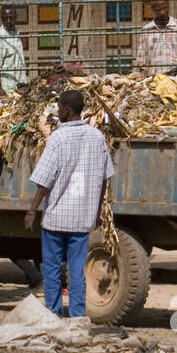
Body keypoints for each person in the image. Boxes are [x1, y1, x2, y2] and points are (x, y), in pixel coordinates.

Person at [24, 90, 116, 318]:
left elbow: (44, 181)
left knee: (53, 270)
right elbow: (105, 178)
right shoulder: (97, 137)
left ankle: (53, 315)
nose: (57, 111)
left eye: (59, 107)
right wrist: (96, 212)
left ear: (65, 109)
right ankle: (77, 317)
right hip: (82, 219)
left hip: (56, 218)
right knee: (77, 272)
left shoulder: (57, 138)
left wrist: (32, 210)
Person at [134, 0, 177, 75]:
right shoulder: (147, 29)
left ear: (168, 7)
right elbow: (141, 57)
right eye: (158, 10)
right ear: (153, 10)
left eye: (165, 8)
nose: (162, 12)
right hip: (155, 75)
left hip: (176, 75)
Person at [0, 5, 27, 95]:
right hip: (7, 89)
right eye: (5, 19)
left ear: (16, 17)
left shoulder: (16, 33)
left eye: (11, 18)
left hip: (20, 87)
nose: (8, 21)